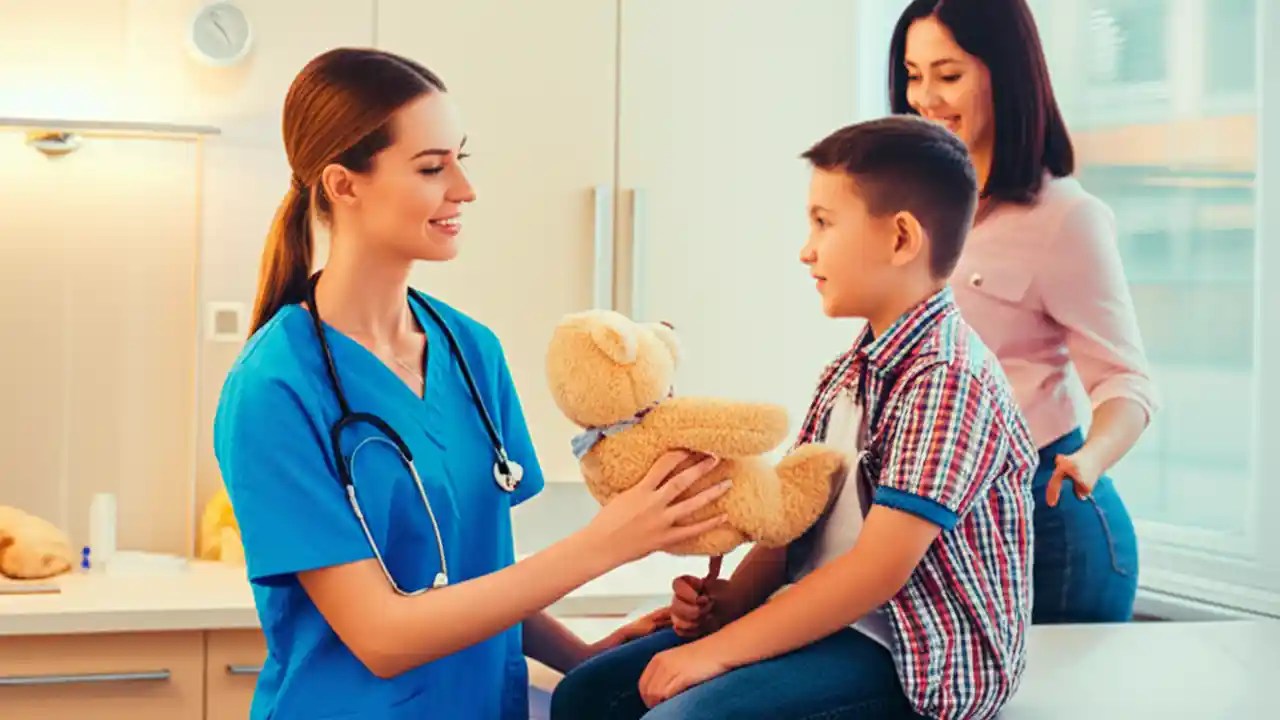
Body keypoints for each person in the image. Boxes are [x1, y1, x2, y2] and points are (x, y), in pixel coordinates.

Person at [211, 47, 733, 720]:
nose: (464, 188)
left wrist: (586, 655)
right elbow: (382, 636)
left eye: (461, 159)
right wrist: (608, 542)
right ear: (343, 185)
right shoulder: (275, 389)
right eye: (432, 167)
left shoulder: (469, 349)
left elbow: (477, 574)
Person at [550, 116, 1038, 720]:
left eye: (823, 223)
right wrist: (730, 602)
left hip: (911, 656)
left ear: (901, 239)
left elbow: (874, 573)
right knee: (586, 695)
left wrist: (718, 652)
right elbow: (795, 523)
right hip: (828, 622)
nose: (806, 249)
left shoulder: (948, 379)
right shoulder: (847, 372)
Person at [889, 0, 1159, 623]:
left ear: (1003, 75)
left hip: (1050, 520)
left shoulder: (1065, 216)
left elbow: (1126, 380)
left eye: (948, 74)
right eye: (913, 73)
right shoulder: (911, 211)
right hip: (944, 517)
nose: (925, 97)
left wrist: (1090, 457)